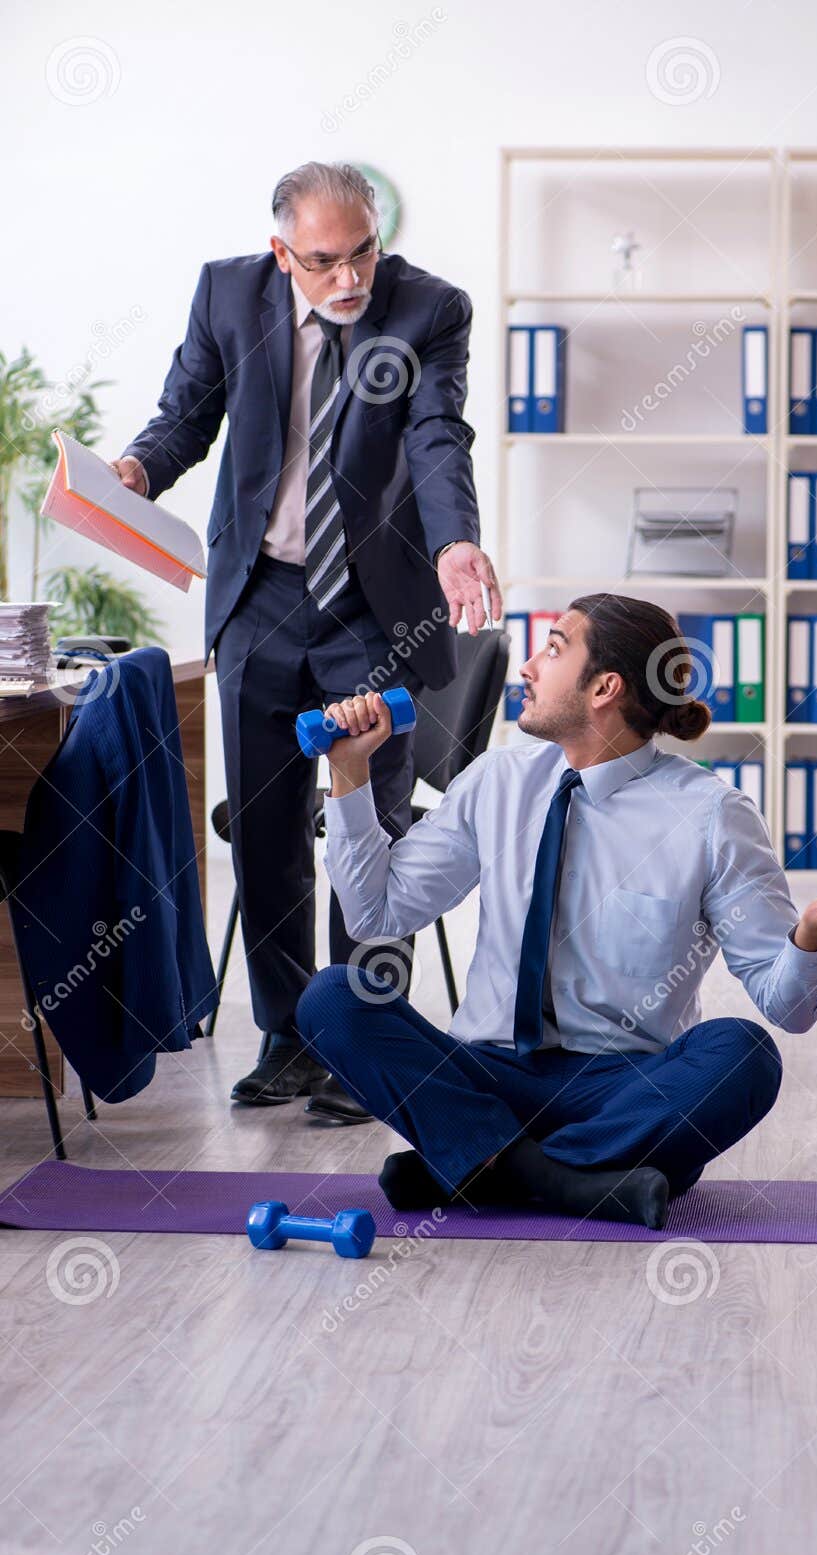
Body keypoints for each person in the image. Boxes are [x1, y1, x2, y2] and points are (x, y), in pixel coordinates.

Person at [296, 594, 817, 1229]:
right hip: (487, 1071)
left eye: (555, 649)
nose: (529, 667)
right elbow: (377, 916)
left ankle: (479, 1162)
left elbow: (788, 1009)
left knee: (743, 1053)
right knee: (333, 999)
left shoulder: (711, 814)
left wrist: (812, 935)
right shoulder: (498, 780)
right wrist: (348, 772)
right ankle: (570, 1181)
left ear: (605, 687)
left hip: (622, 1091)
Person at [110, 161, 501, 1120]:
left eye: (363, 250)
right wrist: (131, 471)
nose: (350, 277)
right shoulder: (228, 294)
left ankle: (361, 1040)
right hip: (260, 593)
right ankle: (289, 1037)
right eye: (324, 260)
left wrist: (455, 541)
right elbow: (186, 418)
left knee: (373, 825)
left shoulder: (429, 309)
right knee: (269, 828)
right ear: (283, 253)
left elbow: (436, 434)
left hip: (375, 604)